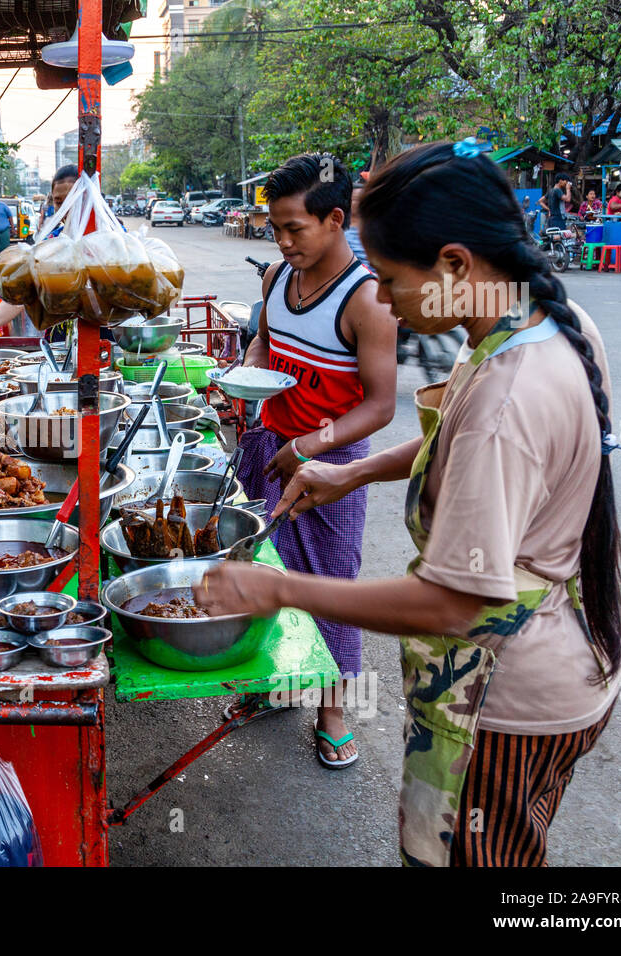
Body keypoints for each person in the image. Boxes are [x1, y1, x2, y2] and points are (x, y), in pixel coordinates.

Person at [198, 140, 621, 867]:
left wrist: (276, 588)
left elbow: (452, 602)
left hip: (502, 703)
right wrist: (352, 475)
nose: (385, 299)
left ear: (455, 265)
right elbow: (453, 444)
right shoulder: (529, 322)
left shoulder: (508, 398)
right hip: (559, 665)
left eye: (392, 279)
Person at [229, 153, 398, 769]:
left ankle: (332, 711)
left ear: (334, 219)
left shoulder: (368, 299)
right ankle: (279, 681)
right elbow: (265, 341)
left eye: (293, 228)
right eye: (274, 227)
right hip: (267, 443)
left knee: (329, 586)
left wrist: (310, 446)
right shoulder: (277, 277)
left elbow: (379, 407)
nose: (281, 240)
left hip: (329, 463)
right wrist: (244, 375)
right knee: (267, 567)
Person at [0, 165, 81, 345]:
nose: (66, 209)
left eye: (72, 200)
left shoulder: (112, 238)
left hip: (101, 343)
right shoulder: (51, 242)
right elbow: (24, 292)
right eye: (59, 202)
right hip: (58, 343)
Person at [345, 180, 368, 267]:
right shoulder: (339, 230)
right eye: (355, 199)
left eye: (362, 199)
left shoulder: (374, 228)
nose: (359, 202)